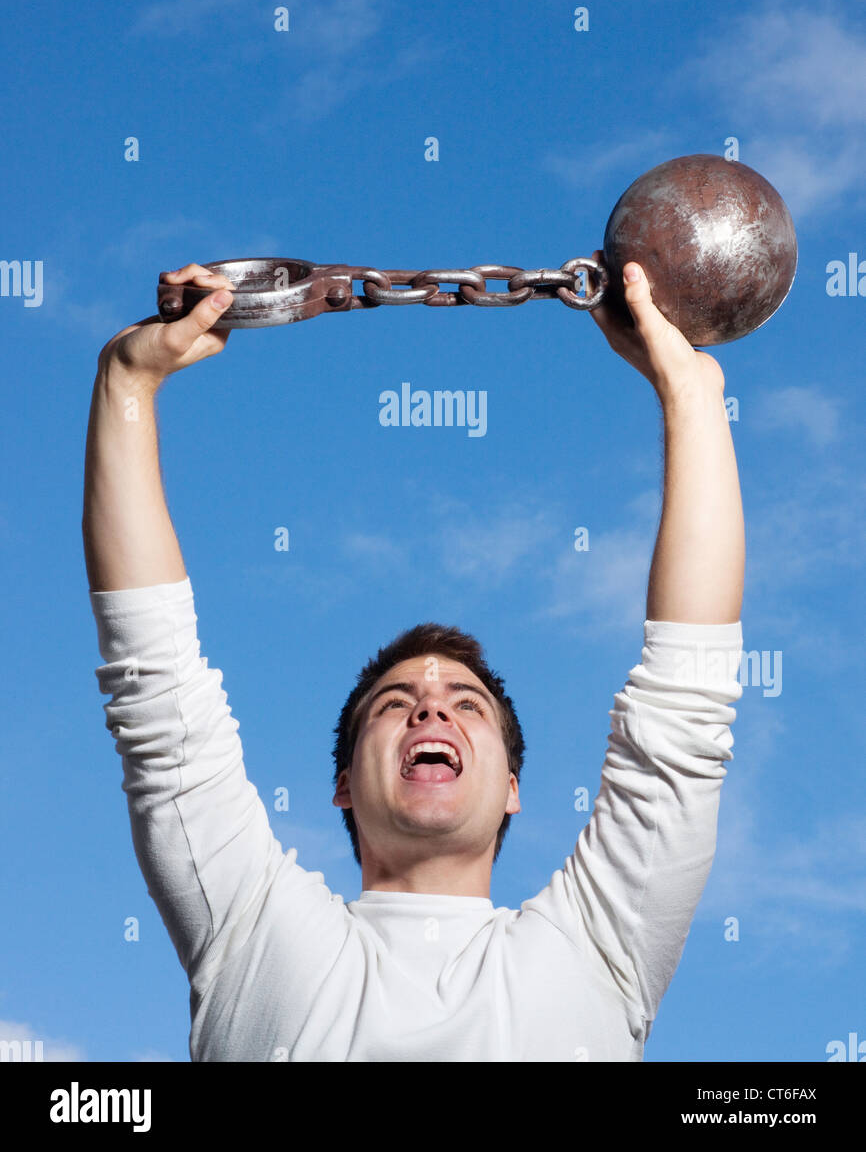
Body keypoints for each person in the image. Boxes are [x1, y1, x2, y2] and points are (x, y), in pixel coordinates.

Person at [82, 258, 744, 1062]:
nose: (432, 707)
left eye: (468, 705)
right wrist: (125, 385)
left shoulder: (600, 948)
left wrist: (694, 396)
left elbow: (682, 717)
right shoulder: (253, 930)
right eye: (395, 704)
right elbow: (157, 690)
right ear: (340, 787)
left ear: (511, 790)